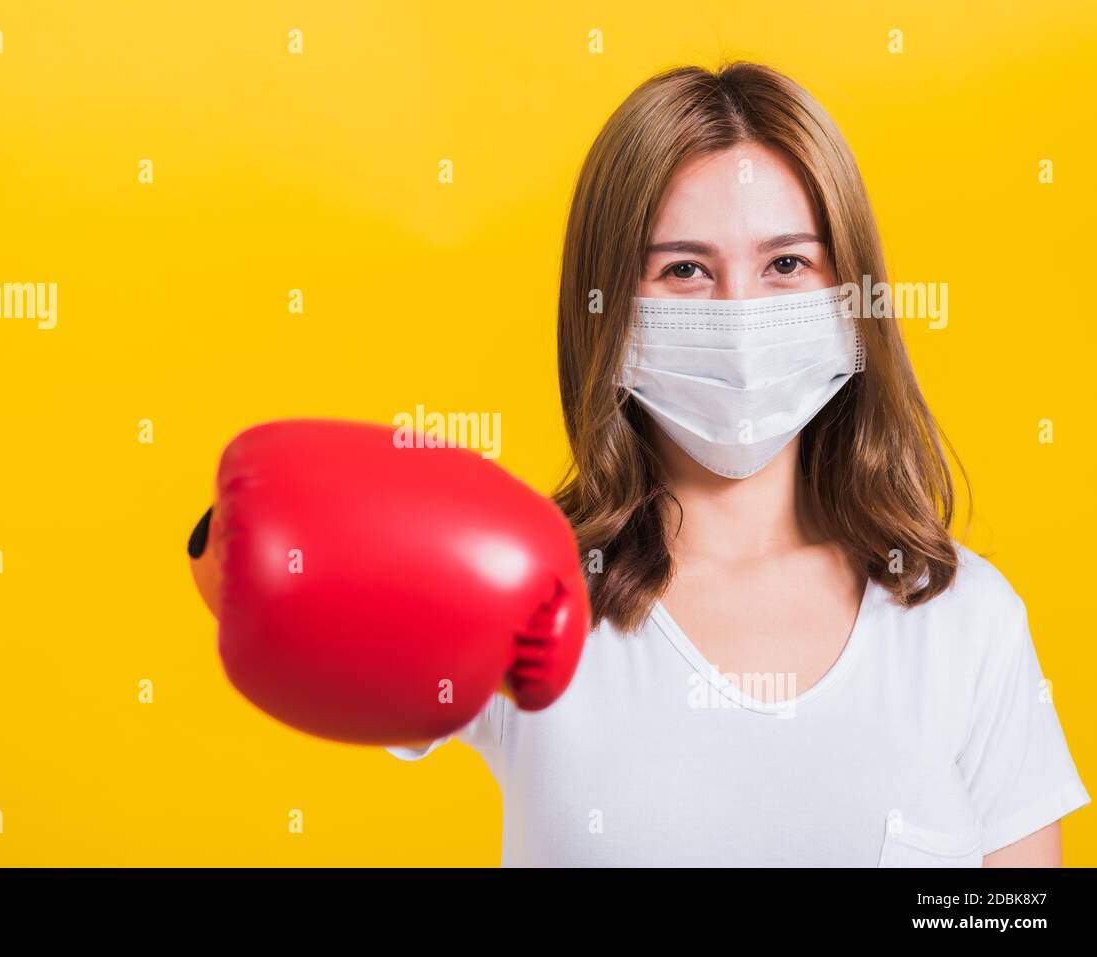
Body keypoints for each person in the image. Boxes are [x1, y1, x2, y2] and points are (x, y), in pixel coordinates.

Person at [388, 62, 1090, 867]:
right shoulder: (525, 601)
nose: (741, 314)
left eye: (787, 264)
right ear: (609, 307)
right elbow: (308, 625)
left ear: (848, 290)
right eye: (684, 269)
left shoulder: (965, 621)